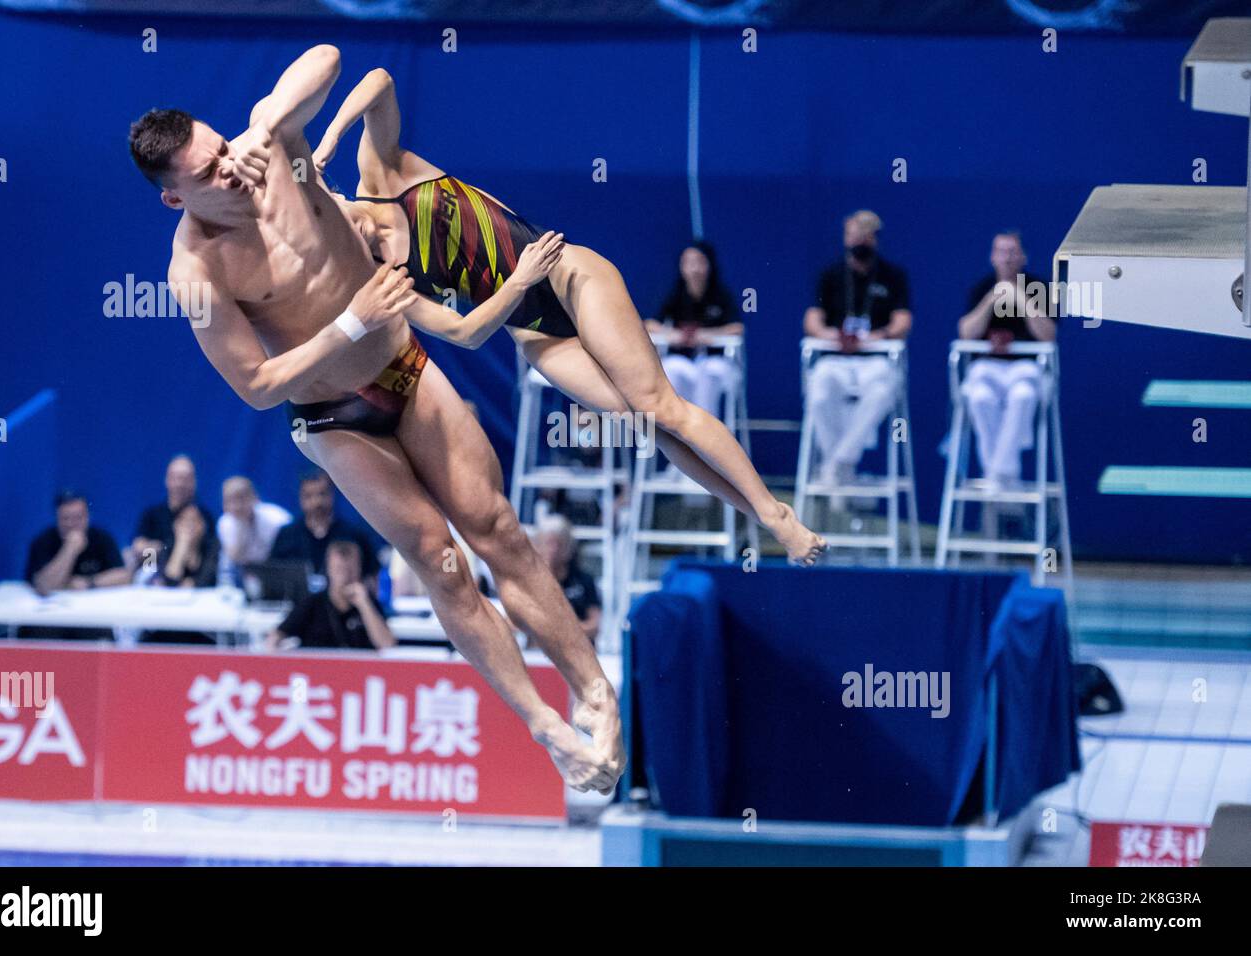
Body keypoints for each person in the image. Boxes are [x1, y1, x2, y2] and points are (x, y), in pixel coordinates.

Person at [128, 45, 622, 792]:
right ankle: (546, 727)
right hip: (333, 417)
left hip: (406, 368)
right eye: (207, 174)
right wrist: (348, 326)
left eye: (222, 150)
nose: (229, 170)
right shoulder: (194, 274)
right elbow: (258, 386)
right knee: (443, 562)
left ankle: (594, 690)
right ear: (175, 199)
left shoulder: (274, 146)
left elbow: (329, 57)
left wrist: (266, 125)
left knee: (496, 530)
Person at [313, 67, 825, 566]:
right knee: (646, 425)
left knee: (660, 405)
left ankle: (776, 514)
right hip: (533, 327)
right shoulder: (387, 276)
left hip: (568, 275)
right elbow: (464, 333)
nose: (351, 237)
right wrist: (518, 282)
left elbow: (380, 80)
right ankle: (758, 515)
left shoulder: (382, 171)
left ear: (335, 196)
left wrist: (329, 138)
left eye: (341, 223)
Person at [801, 210, 912, 490]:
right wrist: (831, 335)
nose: (859, 241)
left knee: (883, 390)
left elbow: (903, 322)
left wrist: (877, 336)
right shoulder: (831, 275)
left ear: (875, 238)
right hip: (836, 357)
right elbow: (812, 320)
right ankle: (840, 464)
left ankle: (838, 461)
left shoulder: (893, 276)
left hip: (874, 358)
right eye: (853, 235)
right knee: (818, 390)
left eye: (865, 235)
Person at [957, 231, 1057, 488]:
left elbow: (1048, 336)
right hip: (987, 368)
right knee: (979, 398)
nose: (1007, 258)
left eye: (1012, 252)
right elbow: (966, 332)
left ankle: (998, 473)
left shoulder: (1040, 287)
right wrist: (992, 300)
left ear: (1023, 257)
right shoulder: (981, 288)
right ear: (992, 257)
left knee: (1022, 396)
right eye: (1001, 252)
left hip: (1025, 368)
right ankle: (1004, 474)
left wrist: (1019, 298)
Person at [646, 241, 744, 418]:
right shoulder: (674, 293)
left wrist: (706, 336)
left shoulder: (721, 294)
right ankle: (673, 434)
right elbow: (649, 324)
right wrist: (672, 335)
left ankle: (706, 436)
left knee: (708, 374)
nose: (694, 269)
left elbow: (737, 327)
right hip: (683, 361)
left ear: (709, 265)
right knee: (670, 370)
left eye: (699, 262)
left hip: (715, 361)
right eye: (688, 262)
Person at [266, 540, 395, 651]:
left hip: (361, 674)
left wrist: (364, 605)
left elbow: (386, 643)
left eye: (350, 570)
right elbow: (277, 634)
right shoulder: (312, 603)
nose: (345, 577)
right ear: (328, 569)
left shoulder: (369, 603)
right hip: (317, 674)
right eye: (339, 570)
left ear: (360, 570)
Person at [269, 470, 379, 580]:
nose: (317, 502)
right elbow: (272, 575)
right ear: (300, 499)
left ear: (332, 495)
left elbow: (372, 576)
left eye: (322, 494)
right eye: (309, 496)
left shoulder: (353, 535)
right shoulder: (286, 536)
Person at [26, 491, 130, 596]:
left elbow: (123, 575)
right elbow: (43, 586)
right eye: (66, 519)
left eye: (78, 518)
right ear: (57, 519)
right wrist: (69, 550)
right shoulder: (43, 541)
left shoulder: (101, 538)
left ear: (87, 517)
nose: (72, 524)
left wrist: (89, 582)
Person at [131, 454, 215, 569]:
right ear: (167, 480)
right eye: (176, 478)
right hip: (154, 571)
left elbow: (210, 552)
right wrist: (164, 549)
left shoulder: (204, 516)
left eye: (186, 479)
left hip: (193, 574)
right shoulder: (152, 514)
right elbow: (139, 548)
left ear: (194, 482)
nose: (180, 484)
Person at [530, 515, 601, 645]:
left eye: (559, 543)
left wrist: (566, 632)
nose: (553, 550)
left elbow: (595, 625)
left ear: (568, 546)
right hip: (539, 652)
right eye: (548, 543)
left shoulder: (584, 580)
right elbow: (513, 623)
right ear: (538, 546)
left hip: (577, 647)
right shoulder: (529, 581)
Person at [216, 475, 292, 583]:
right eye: (229, 500)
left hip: (277, 576)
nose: (236, 506)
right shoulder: (225, 523)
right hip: (244, 578)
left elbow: (288, 559)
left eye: (240, 499)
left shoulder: (278, 520)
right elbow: (234, 559)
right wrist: (242, 528)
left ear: (254, 497)